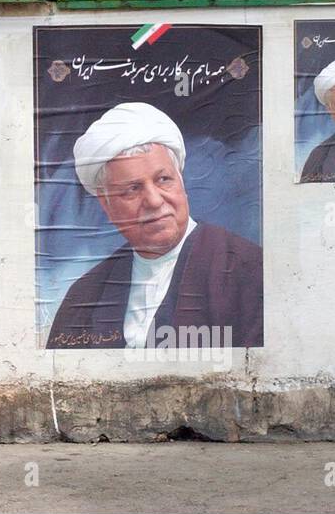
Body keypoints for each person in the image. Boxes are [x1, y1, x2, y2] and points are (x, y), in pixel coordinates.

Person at [46, 102, 263, 349]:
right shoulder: (84, 299)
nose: (154, 200)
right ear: (107, 206)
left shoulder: (251, 273)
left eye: (163, 180)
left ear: (181, 181)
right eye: (132, 189)